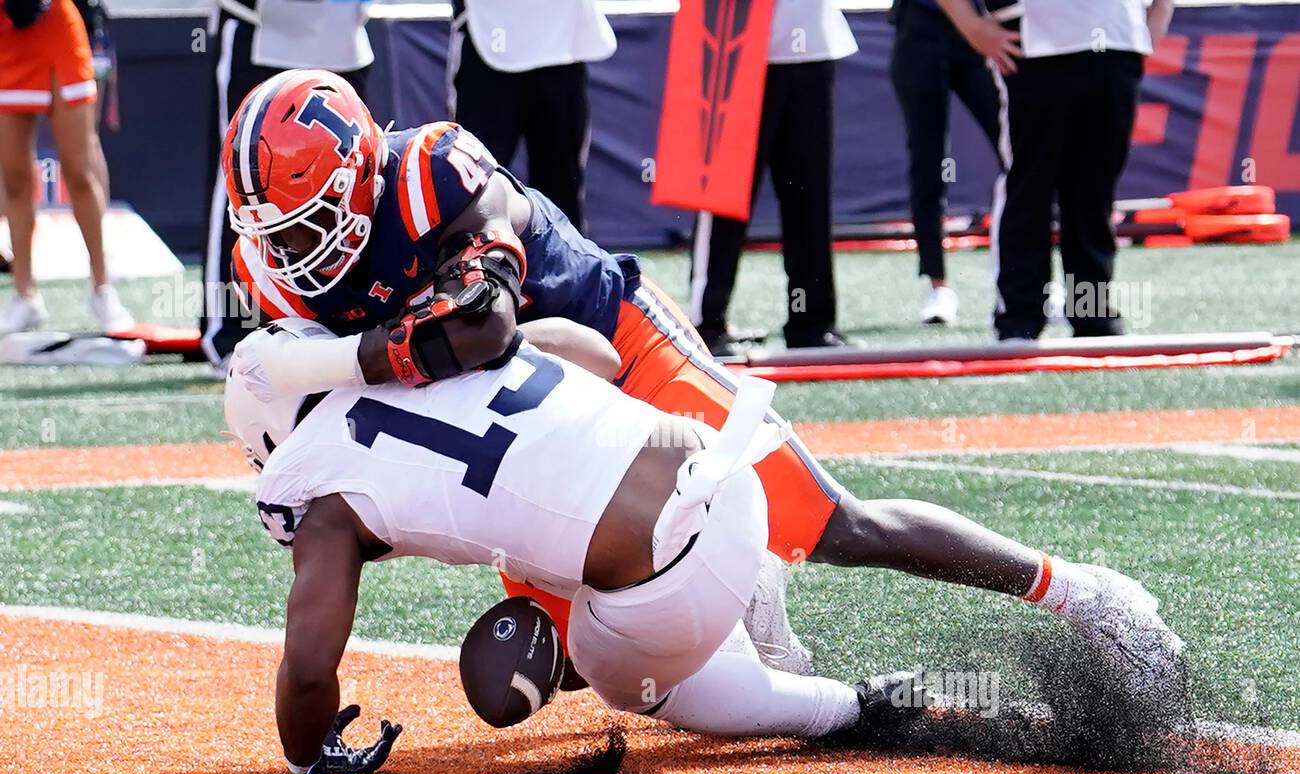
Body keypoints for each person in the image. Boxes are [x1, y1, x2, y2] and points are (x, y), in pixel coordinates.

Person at [219, 70, 1179, 684]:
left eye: (307, 223)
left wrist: (347, 357)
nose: (293, 254)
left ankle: (1079, 592)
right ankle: (803, 672)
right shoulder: (272, 266)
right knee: (538, 670)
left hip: (614, 343)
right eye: (274, 232)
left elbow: (483, 327)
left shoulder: (437, 169)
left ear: (360, 178)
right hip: (531, 420)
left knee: (833, 525)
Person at [225, 320, 1185, 774]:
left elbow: (310, 657)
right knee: (550, 582)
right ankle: (746, 583)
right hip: (717, 470)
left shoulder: (319, 487)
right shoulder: (440, 339)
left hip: (665, 583)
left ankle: (847, 709)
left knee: (616, 680)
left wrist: (308, 752)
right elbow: (592, 356)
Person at [937, 0, 1175, 340]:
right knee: (1028, 186)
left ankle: (1091, 314)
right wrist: (970, 25)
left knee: (1094, 191)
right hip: (1031, 41)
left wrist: (1158, 15)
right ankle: (1019, 318)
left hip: (1115, 41)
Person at [199, 0, 374, 371]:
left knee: (354, 182)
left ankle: (350, 316)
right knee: (243, 183)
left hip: (343, 36)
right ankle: (231, 325)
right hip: (264, 28)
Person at [688, 0, 857, 356]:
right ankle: (707, 322)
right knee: (723, 198)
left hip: (810, 47)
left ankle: (811, 321)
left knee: (809, 196)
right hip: (734, 47)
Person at [0, 0, 134, 334]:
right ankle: (24, 294)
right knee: (15, 177)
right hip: (6, 34)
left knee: (79, 171)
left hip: (57, 25)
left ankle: (102, 287)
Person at [448, 0, 614, 231]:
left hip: (562, 47)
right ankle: (473, 264)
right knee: (476, 183)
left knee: (562, 190)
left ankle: (563, 265)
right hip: (488, 44)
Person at [889, 0, 1001, 325]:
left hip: (984, 23)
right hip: (920, 28)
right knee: (928, 164)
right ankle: (938, 285)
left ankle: (1039, 282)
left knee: (1022, 154)